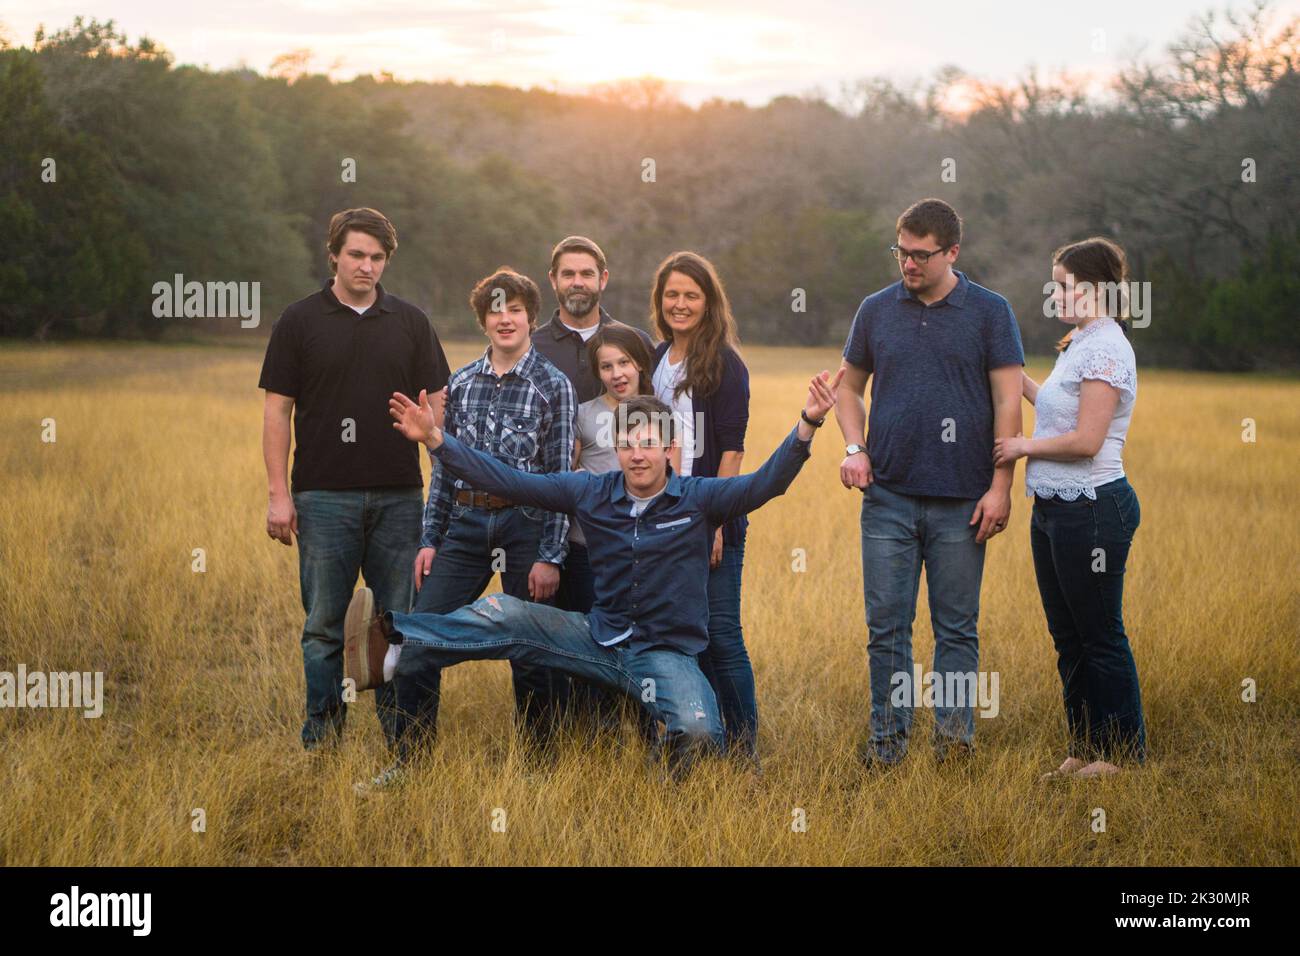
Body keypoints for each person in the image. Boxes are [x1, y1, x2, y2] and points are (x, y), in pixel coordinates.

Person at [352, 373, 842, 791]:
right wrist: (438, 441)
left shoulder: (698, 500)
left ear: (668, 447)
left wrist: (808, 424)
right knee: (505, 612)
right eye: (627, 444)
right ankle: (394, 648)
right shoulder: (591, 491)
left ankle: (665, 780)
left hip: (664, 653)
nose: (637, 455)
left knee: (697, 730)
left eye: (648, 443)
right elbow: (506, 481)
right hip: (597, 639)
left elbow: (766, 484)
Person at [833, 198, 1024, 767]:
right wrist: (855, 447)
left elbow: (1007, 400)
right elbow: (848, 388)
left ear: (952, 252)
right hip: (887, 496)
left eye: (921, 255)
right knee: (886, 627)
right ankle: (886, 747)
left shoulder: (990, 312)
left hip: (963, 500)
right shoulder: (876, 309)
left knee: (957, 632)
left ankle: (954, 748)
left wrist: (1001, 486)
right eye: (901, 252)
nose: (908, 265)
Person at [259, 207, 451, 751]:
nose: (366, 266)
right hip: (322, 498)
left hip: (400, 498)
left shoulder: (411, 322)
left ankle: (405, 742)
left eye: (376, 257)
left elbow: (435, 407)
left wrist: (444, 494)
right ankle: (323, 738)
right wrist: (279, 495)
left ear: (386, 260)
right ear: (334, 256)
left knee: (400, 623)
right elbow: (278, 412)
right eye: (356, 255)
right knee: (324, 624)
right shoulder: (299, 321)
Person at [384, 267, 576, 761]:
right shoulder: (462, 383)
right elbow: (445, 468)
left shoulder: (553, 386)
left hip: (526, 527)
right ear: (483, 320)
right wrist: (430, 539)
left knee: (530, 651)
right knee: (418, 637)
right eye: (495, 310)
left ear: (531, 317)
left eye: (514, 309)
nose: (505, 318)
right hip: (466, 526)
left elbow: (559, 478)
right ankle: (410, 762)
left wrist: (551, 555)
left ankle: (539, 764)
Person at [993, 237, 1146, 778]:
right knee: (1068, 636)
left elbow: (1086, 441)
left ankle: (1123, 757)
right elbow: (1057, 407)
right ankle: (1083, 749)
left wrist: (1021, 446)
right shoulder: (1080, 341)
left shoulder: (1107, 349)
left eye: (1064, 285)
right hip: (1054, 507)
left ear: (1096, 289)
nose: (1055, 293)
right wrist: (1010, 376)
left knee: (1100, 633)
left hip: (1095, 508)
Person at [533, 235, 656, 728]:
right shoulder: (534, 344)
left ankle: (629, 726)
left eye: (587, 273)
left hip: (637, 531)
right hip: (562, 524)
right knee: (566, 636)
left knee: (632, 633)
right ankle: (560, 739)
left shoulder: (632, 338)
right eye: (568, 274)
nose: (578, 282)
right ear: (554, 281)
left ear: (603, 279)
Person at [648, 251, 757, 764]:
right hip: (661, 519)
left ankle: (743, 752)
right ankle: (695, 740)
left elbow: (732, 448)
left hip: (710, 515)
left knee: (720, 635)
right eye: (672, 294)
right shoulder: (655, 359)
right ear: (660, 300)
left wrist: (714, 519)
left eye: (692, 295)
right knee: (678, 636)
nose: (681, 303)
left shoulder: (725, 364)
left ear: (709, 302)